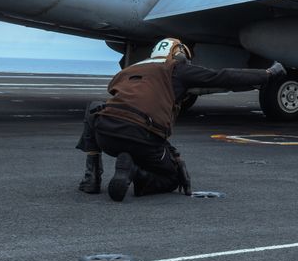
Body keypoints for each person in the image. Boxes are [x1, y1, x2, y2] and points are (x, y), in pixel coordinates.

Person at [76, 37, 286, 201]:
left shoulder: (128, 70)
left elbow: (122, 101)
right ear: (177, 54)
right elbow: (223, 76)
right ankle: (136, 173)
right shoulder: (177, 69)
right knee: (172, 178)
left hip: (107, 135)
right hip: (142, 139)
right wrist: (267, 74)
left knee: (94, 108)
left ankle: (91, 178)